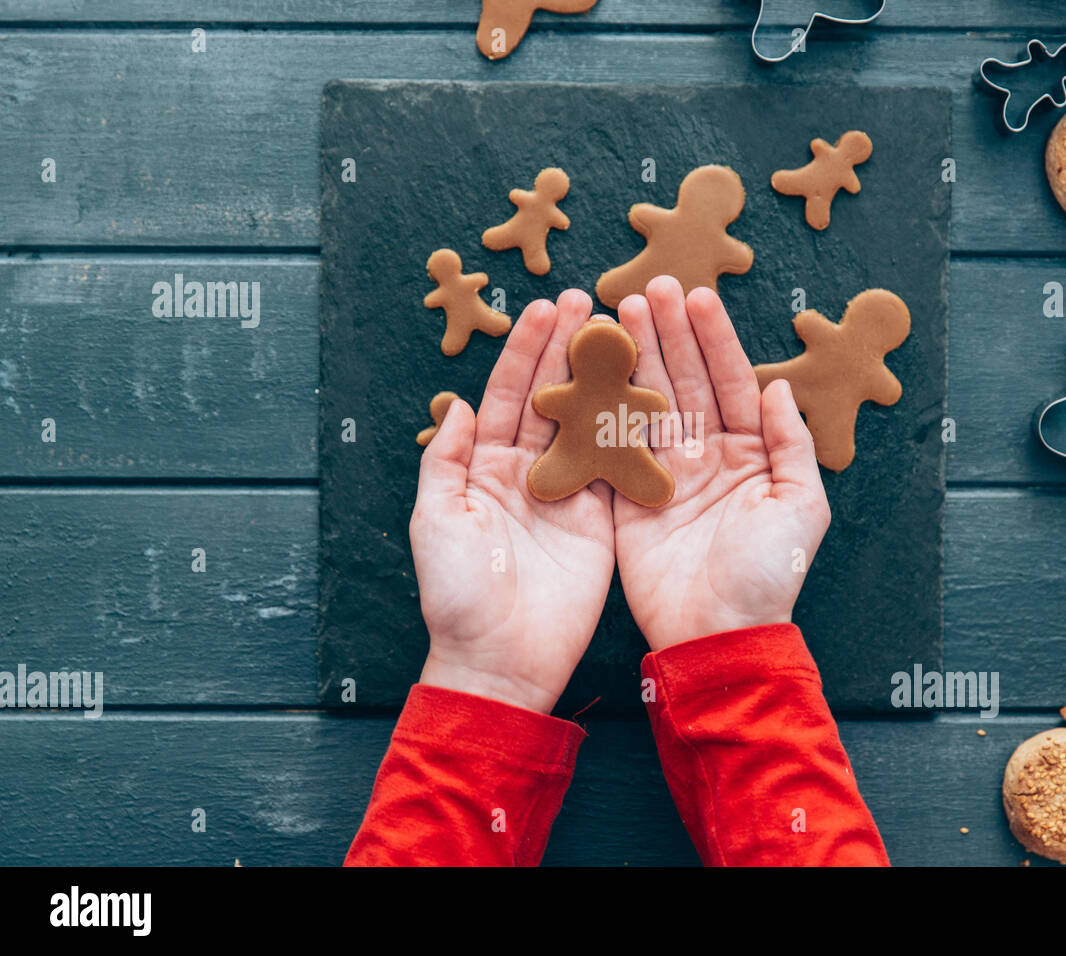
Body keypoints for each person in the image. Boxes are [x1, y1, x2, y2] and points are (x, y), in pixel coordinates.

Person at [344, 276, 889, 867]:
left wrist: (480, 683)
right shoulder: (624, 405)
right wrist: (737, 652)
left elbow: (584, 404)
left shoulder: (610, 404)